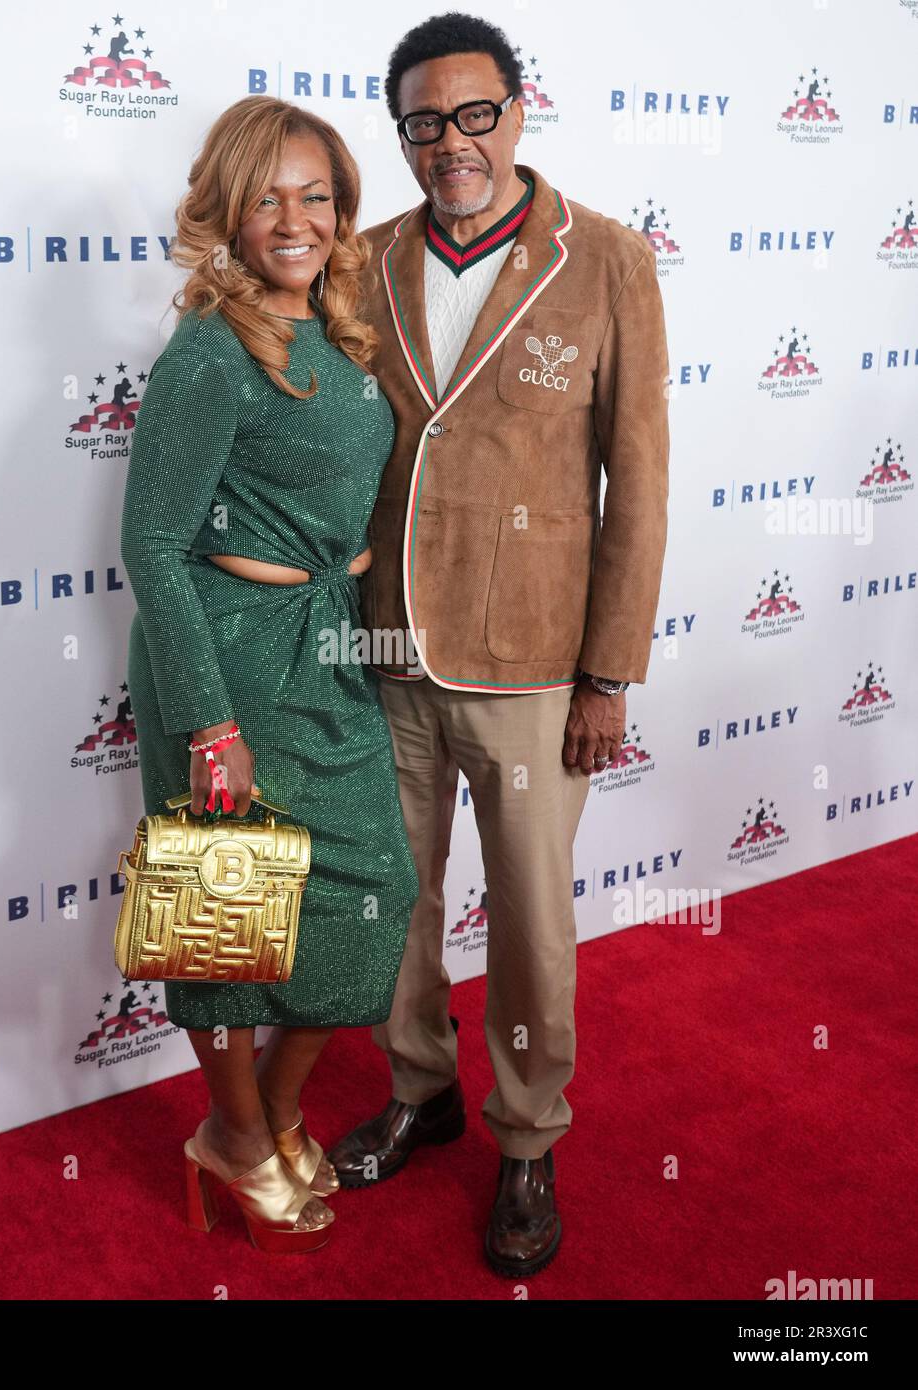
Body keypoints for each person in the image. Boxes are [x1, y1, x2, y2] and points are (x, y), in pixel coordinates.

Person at [328, 12, 670, 1277]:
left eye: (473, 114)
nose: (450, 142)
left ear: (517, 110)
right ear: (403, 135)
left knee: (528, 919)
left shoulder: (609, 262)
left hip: (534, 668)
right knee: (390, 902)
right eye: (423, 122)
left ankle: (526, 1136)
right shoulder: (358, 263)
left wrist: (607, 673)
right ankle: (420, 1090)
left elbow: (634, 484)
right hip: (383, 656)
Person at [119, 95, 419, 1254]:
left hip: (325, 636)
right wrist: (205, 721)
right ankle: (238, 1136)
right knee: (223, 911)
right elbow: (151, 541)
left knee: (369, 891)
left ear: (342, 207)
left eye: (316, 194)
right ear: (228, 213)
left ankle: (269, 1114)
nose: (293, 218)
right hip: (226, 649)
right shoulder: (209, 350)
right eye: (265, 197)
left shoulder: (339, 329)